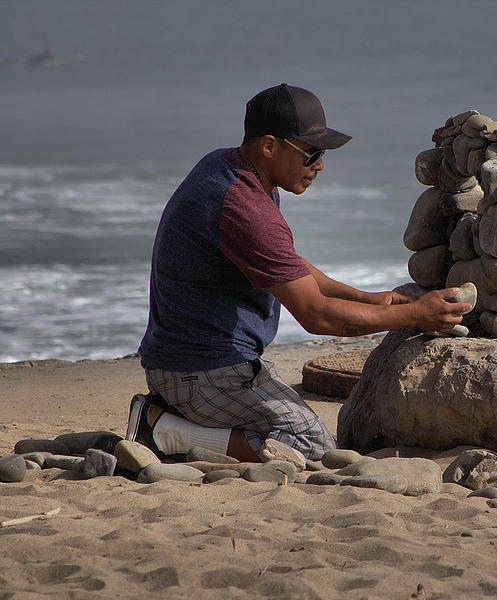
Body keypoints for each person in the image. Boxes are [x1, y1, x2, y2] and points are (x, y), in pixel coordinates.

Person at [102, 84, 469, 463]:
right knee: (312, 445)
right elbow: (316, 316)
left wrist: (363, 298)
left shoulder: (229, 168)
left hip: (188, 363)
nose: (320, 165)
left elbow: (285, 263)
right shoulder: (247, 208)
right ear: (269, 146)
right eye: (312, 153)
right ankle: (164, 432)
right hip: (200, 373)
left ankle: (172, 418)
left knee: (301, 436)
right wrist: (416, 314)